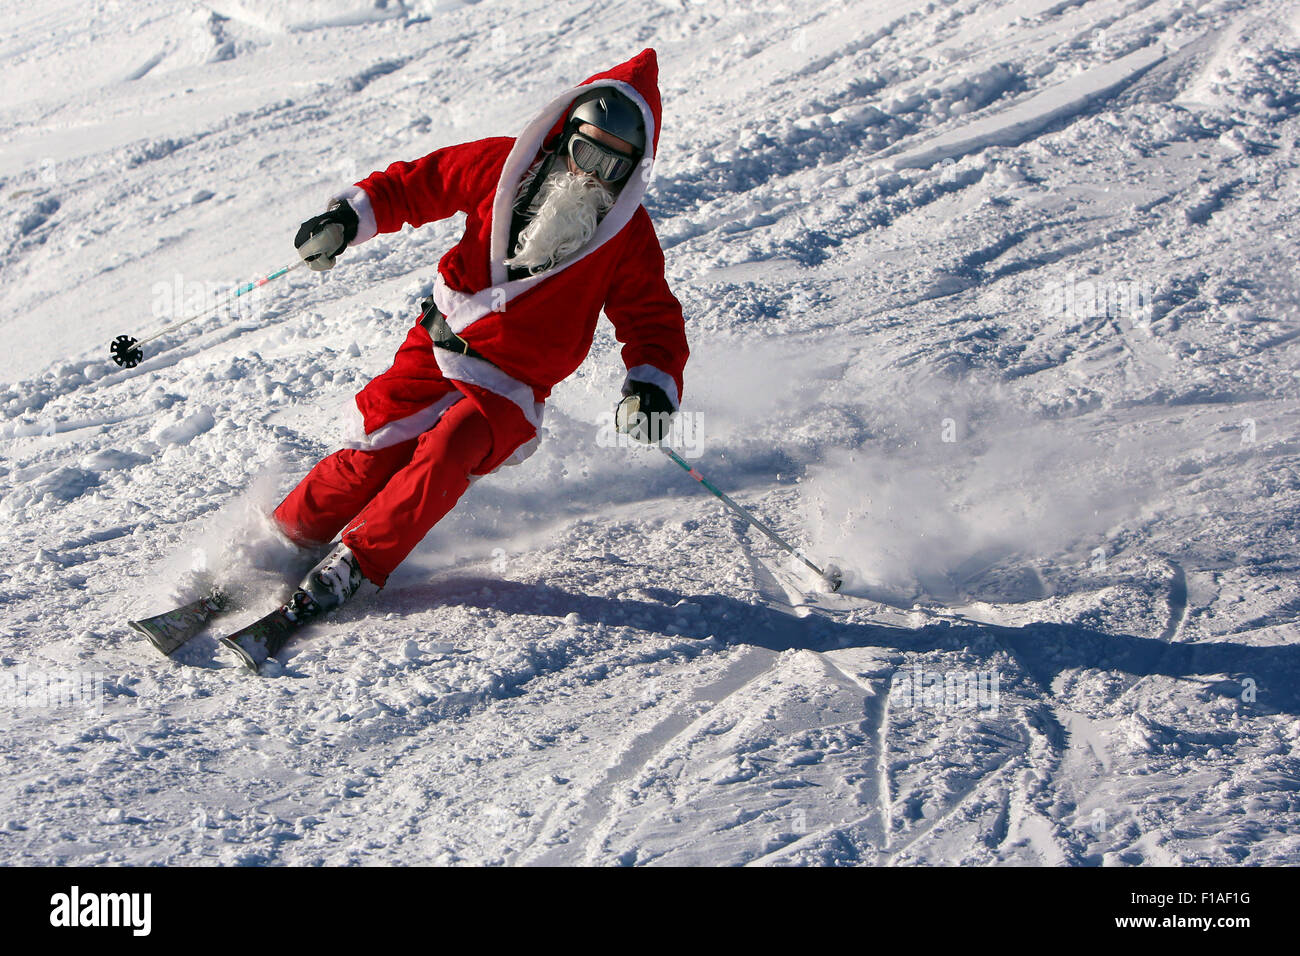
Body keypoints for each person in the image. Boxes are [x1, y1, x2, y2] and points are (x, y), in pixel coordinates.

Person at [270, 48, 689, 622]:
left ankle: (355, 563)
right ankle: (281, 541)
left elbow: (653, 316)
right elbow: (420, 185)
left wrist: (652, 383)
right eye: (586, 151)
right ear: (564, 133)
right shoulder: (501, 167)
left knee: (449, 448)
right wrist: (348, 218)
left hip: (510, 389)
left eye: (615, 166)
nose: (594, 173)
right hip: (439, 345)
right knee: (372, 449)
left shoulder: (626, 235)